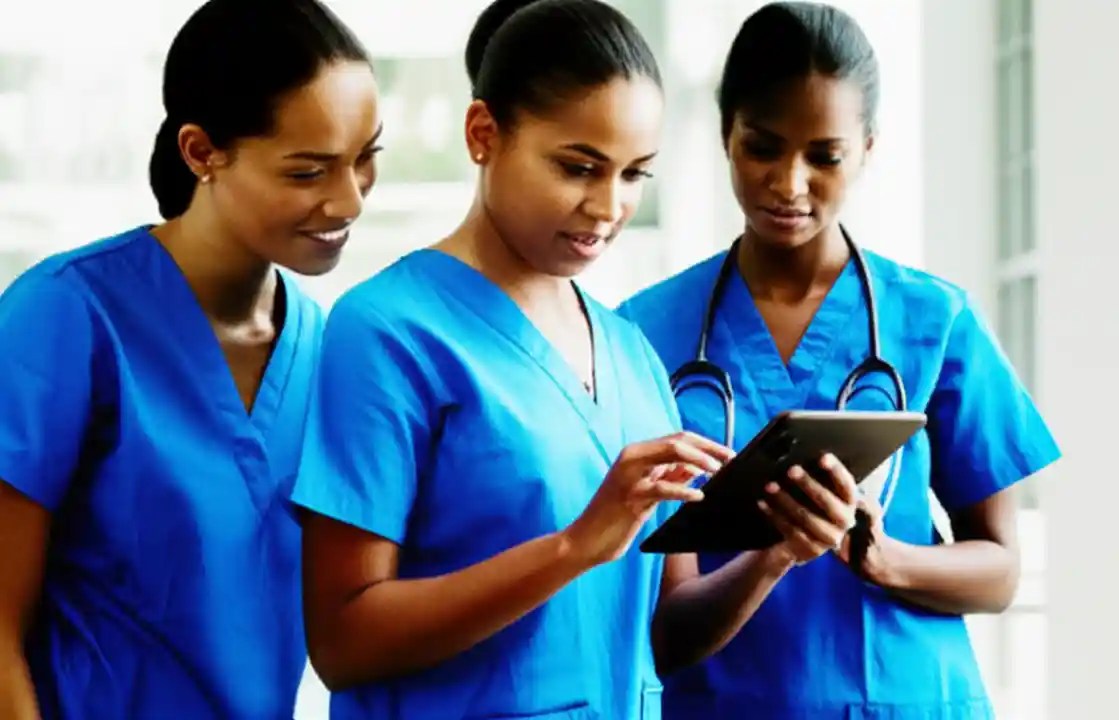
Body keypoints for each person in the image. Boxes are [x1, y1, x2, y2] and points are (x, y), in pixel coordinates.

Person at [291, 1, 868, 718]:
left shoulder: (630, 353)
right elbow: (345, 642)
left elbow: (663, 636)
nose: (607, 206)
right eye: (578, 167)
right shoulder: (388, 330)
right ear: (483, 135)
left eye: (634, 176)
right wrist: (571, 548)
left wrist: (775, 553)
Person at [617, 3, 1062, 719]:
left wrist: (883, 557)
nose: (790, 184)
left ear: (866, 150)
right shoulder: (642, 333)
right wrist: (776, 553)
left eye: (824, 156)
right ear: (726, 131)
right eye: (763, 147)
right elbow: (653, 618)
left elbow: (1000, 571)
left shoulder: (934, 321)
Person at [0, 1, 381, 718]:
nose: (349, 199)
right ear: (201, 152)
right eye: (308, 172)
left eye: (367, 159)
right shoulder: (65, 316)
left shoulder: (324, 344)